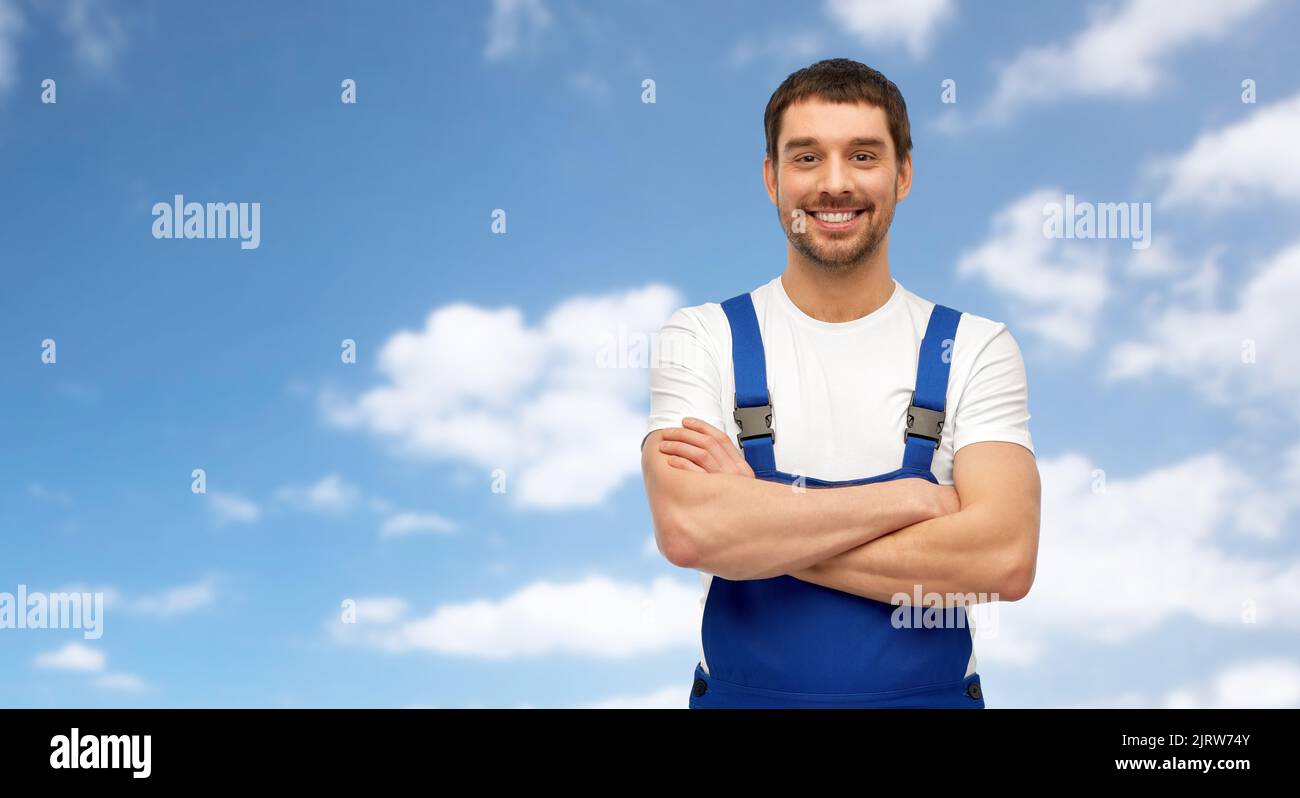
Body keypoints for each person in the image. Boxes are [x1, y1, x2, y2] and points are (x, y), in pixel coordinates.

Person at [639, 58, 1041, 709]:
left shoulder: (974, 347)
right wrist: (914, 499)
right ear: (771, 178)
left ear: (902, 174)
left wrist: (757, 520)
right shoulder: (700, 337)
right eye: (805, 158)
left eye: (862, 155)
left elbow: (1004, 557)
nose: (834, 184)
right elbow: (689, 531)